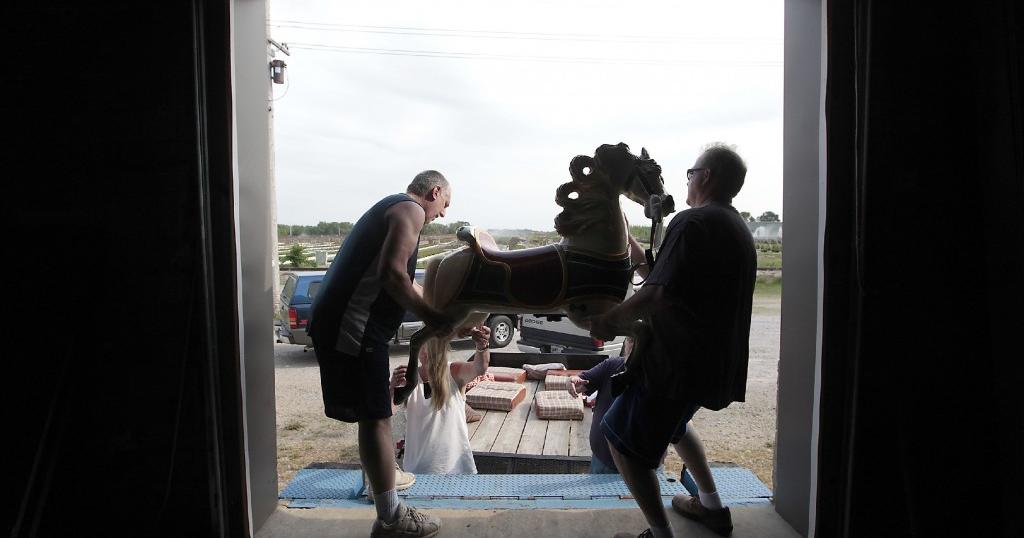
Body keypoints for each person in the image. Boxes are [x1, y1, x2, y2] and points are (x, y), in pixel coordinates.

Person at [590, 145, 756, 538]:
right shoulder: (733, 226)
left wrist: (610, 320)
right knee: (677, 426)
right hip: (711, 363)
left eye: (691, 172)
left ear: (706, 177)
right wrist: (641, 260)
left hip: (676, 364)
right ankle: (711, 507)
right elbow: (680, 282)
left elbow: (658, 295)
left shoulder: (692, 222)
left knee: (621, 442)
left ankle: (659, 534)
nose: (687, 180)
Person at [308, 170, 455, 538]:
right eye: (445, 204)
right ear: (434, 192)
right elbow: (393, 275)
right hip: (353, 323)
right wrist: (433, 318)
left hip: (344, 321)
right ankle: (391, 518)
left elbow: (409, 282)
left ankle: (383, 496)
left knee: (370, 412)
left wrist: (450, 317)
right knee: (377, 416)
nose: (443, 214)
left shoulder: (393, 207)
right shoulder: (411, 211)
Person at [389, 324, 491, 474]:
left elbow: (480, 368)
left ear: (440, 347)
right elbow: (386, 412)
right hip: (417, 470)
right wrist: (392, 387)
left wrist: (482, 346)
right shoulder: (409, 378)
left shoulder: (453, 372)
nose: (424, 351)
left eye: (430, 346)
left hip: (457, 469)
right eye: (421, 345)